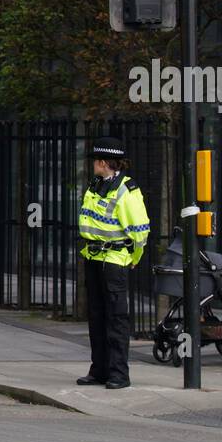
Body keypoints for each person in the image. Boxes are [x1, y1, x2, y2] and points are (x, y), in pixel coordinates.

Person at [76, 137, 150, 390]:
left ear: (104, 162)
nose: (93, 165)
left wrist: (133, 259)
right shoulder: (95, 185)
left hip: (115, 260)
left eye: (96, 161)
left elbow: (140, 232)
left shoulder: (126, 190)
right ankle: (99, 370)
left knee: (116, 319)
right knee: (96, 317)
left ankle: (119, 374)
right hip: (94, 258)